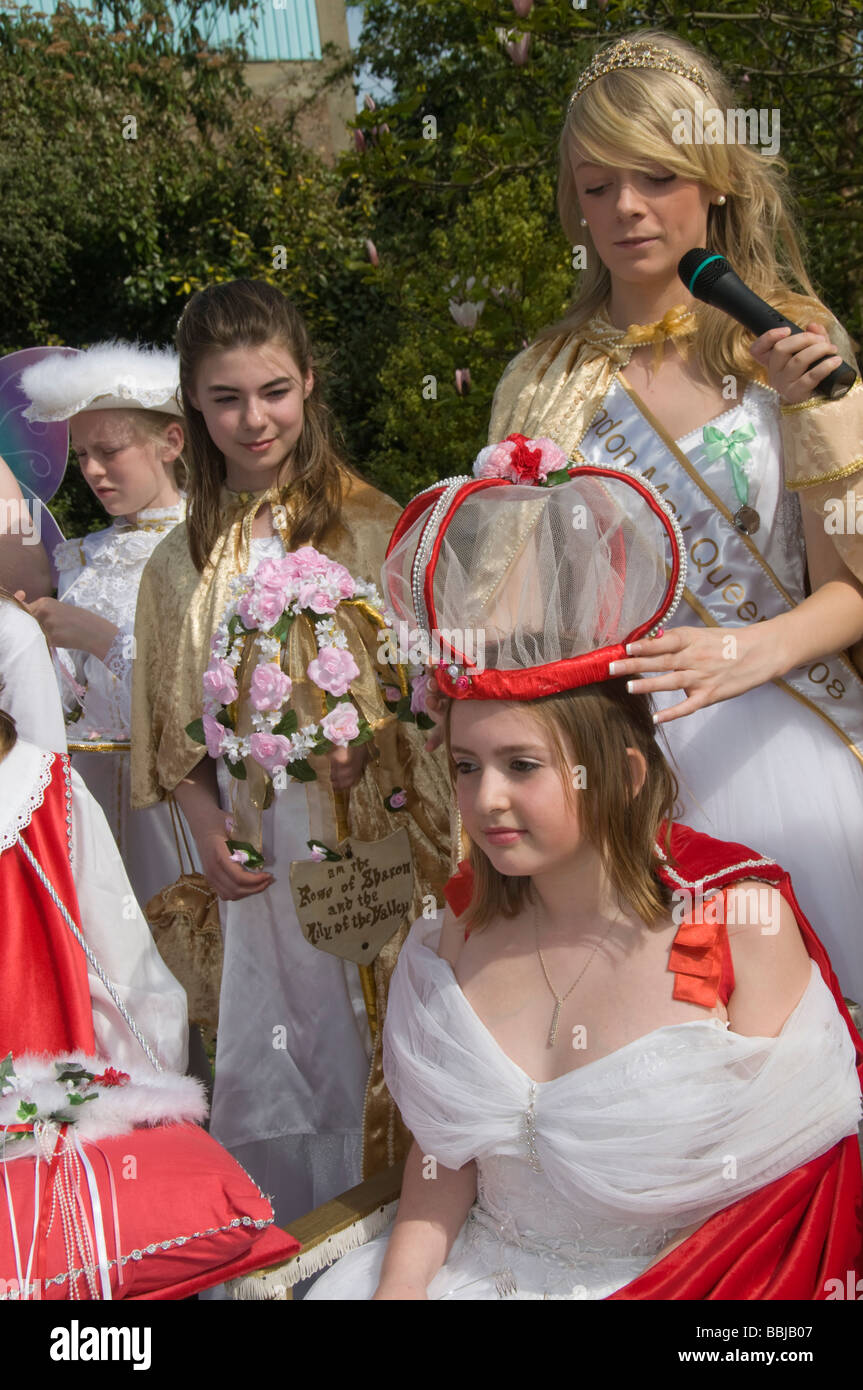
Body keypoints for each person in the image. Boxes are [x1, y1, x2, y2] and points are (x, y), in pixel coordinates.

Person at [306, 445, 862, 1301]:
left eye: (522, 766)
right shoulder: (460, 927)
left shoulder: (739, 927)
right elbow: (442, 1164)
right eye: (464, 766)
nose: (484, 800)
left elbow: (786, 1209)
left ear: (623, 775)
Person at [486, 31, 863, 1004]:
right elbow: (519, 612)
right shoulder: (542, 379)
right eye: (595, 182)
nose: (623, 208)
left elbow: (850, 592)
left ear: (713, 180)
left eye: (654, 175)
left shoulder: (788, 344)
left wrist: (744, 653)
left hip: (789, 741)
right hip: (621, 773)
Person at [130, 280, 450, 1223]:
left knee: (372, 1023)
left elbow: (423, 691)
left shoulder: (367, 522)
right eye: (225, 398)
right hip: (255, 853)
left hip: (367, 841)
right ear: (193, 406)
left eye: (272, 391)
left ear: (308, 383)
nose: (252, 418)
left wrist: (374, 754)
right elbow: (164, 718)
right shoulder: (174, 561)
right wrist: (204, 828)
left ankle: (398, 1212)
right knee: (278, 1039)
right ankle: (281, 1223)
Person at [17, 342, 190, 906]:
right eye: (83, 452)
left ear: (171, 442)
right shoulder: (79, 557)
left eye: (110, 450)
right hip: (85, 804)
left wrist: (96, 636)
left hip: (177, 805)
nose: (91, 470)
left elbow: (209, 690)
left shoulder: (209, 548)